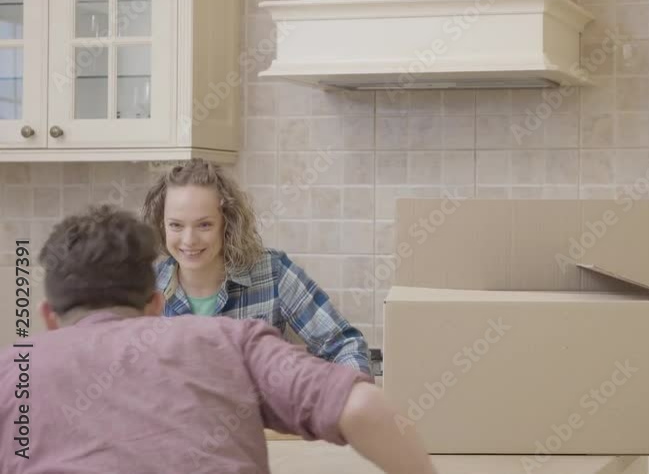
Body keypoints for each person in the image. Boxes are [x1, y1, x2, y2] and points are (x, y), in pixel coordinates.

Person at [0, 204, 437, 474]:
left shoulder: (12, 369)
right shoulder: (232, 342)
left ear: (47, 317)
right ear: (156, 303)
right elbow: (364, 407)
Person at [139, 158, 371, 375]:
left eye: (204, 225)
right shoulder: (147, 290)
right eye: (176, 225)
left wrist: (350, 405)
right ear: (162, 225)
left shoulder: (273, 272)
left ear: (226, 224)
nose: (189, 240)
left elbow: (345, 346)